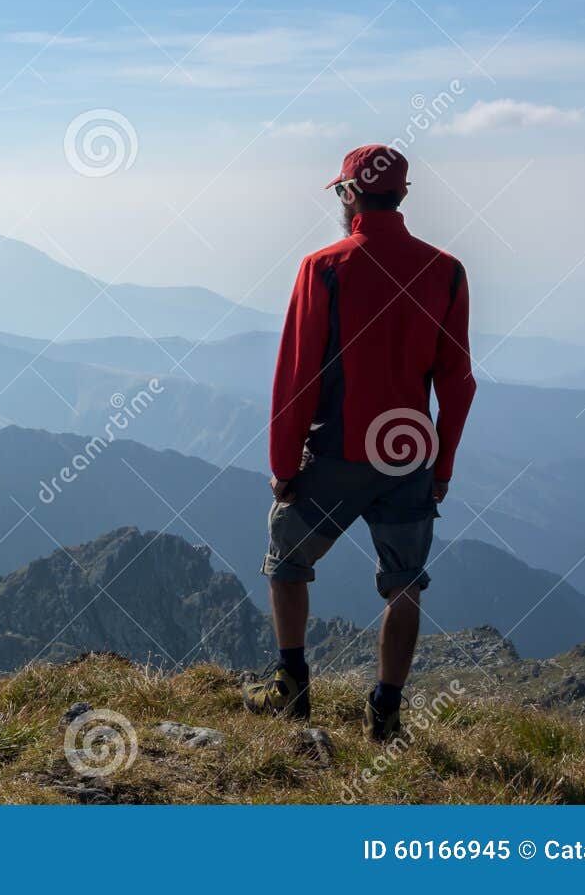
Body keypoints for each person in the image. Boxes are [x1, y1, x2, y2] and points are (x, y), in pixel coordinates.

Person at [242, 144, 476, 742]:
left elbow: (297, 375)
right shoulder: (446, 271)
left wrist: (283, 463)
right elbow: (457, 381)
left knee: (286, 559)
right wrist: (442, 464)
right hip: (409, 454)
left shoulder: (324, 266)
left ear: (349, 195)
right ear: (401, 196)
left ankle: (291, 687)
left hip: (338, 450)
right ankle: (386, 713)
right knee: (405, 581)